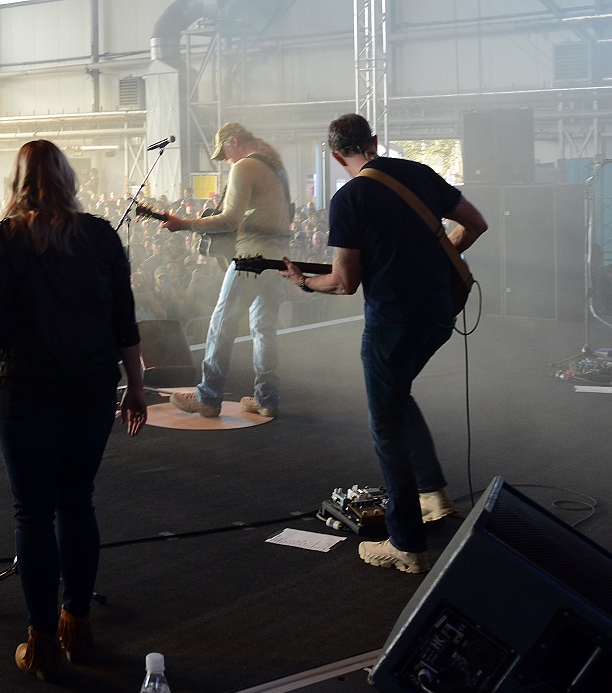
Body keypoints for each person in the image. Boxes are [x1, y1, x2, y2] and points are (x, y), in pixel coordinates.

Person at [0, 140, 147, 681]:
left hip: (28, 393)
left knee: (33, 514)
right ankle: (78, 625)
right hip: (92, 390)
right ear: (68, 178)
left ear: (18, 181)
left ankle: (41, 643)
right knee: (77, 503)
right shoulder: (101, 236)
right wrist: (135, 385)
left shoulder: (6, 239)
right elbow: (125, 320)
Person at [280, 113, 487, 575]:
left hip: (393, 323)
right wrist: (443, 254)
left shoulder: (349, 197)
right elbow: (475, 223)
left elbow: (344, 283)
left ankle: (406, 545)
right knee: (397, 396)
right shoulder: (419, 173)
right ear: (373, 141)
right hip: (439, 315)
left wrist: (302, 283)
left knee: (385, 427)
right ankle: (432, 492)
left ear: (337, 156)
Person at [160, 122, 293, 417]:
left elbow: (229, 220)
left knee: (222, 322)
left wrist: (184, 224)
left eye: (225, 153)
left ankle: (208, 396)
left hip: (251, 257)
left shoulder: (244, 166)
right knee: (264, 328)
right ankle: (267, 399)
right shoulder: (275, 169)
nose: (226, 160)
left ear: (233, 142)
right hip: (278, 259)